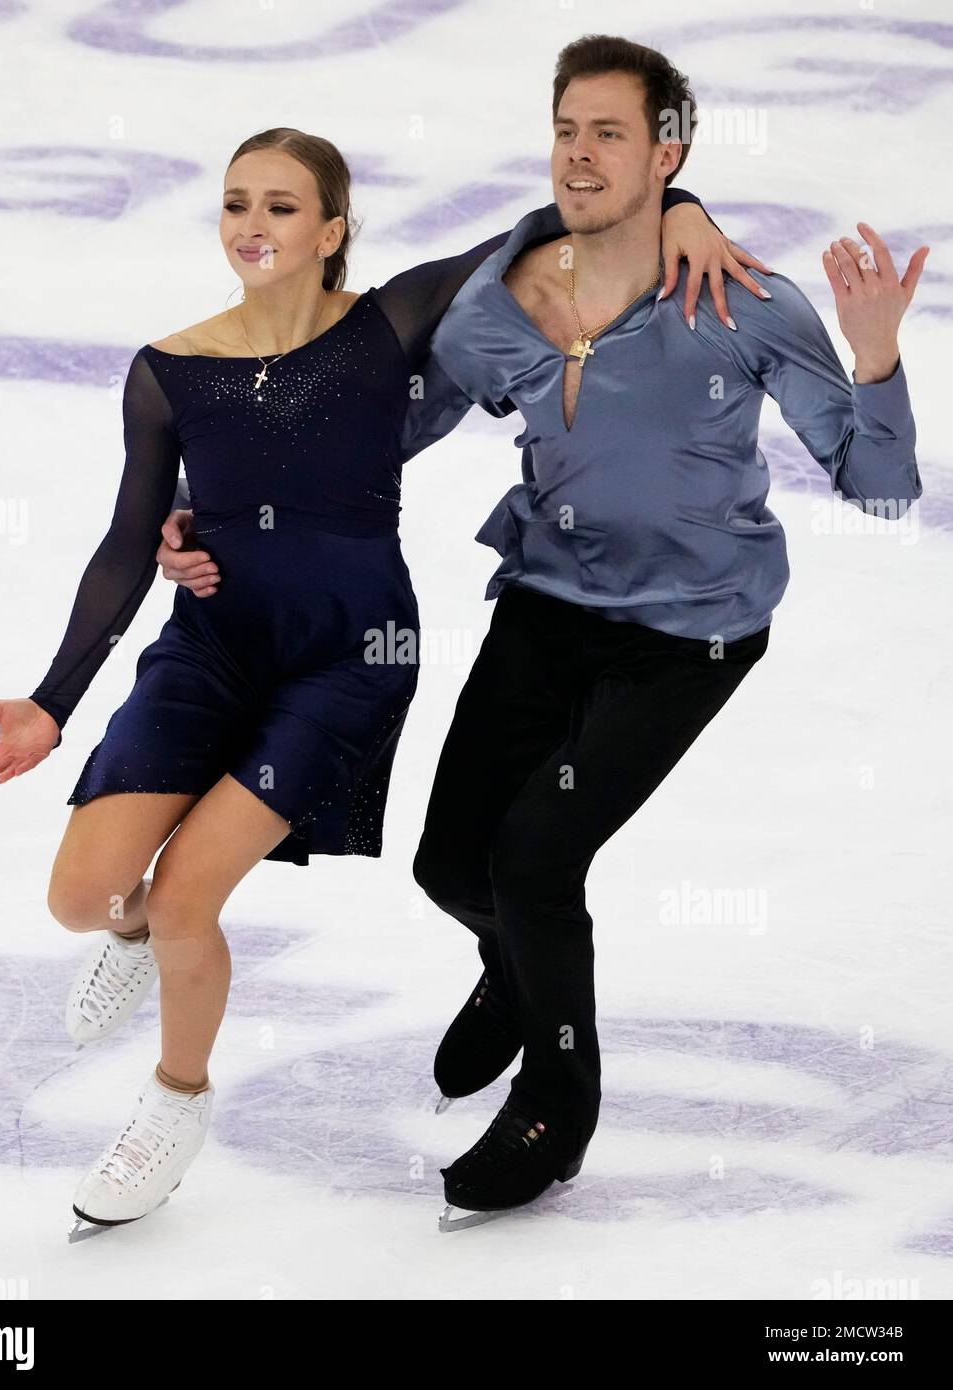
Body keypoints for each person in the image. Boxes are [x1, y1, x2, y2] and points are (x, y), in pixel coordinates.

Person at [0, 124, 755, 1234]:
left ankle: (173, 1104)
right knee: (81, 896)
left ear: (332, 230)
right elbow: (125, 539)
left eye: (282, 206)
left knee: (191, 891)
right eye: (237, 203)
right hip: (211, 646)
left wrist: (683, 208)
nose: (253, 225)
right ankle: (134, 935)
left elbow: (567, 224)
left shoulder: (389, 321)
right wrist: (52, 700)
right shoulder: (168, 369)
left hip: (351, 656)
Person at [403, 34, 927, 1228]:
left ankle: (557, 1102)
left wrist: (876, 355)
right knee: (449, 864)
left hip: (687, 635)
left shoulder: (741, 304)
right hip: (545, 605)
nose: (581, 157)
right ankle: (515, 968)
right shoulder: (495, 300)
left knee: (533, 856)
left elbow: (881, 486)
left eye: (610, 134)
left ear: (665, 151)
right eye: (566, 131)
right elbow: (391, 432)